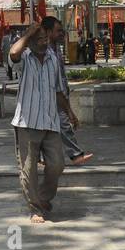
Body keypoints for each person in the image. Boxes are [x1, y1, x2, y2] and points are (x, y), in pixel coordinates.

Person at [9, 21, 75, 223]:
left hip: (50, 121)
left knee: (57, 165)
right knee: (28, 168)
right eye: (39, 39)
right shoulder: (24, 59)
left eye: (45, 38)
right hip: (27, 122)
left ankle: (44, 197)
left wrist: (69, 112)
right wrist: (28, 35)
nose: (44, 43)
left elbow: (57, 90)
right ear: (30, 42)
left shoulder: (53, 58)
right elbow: (13, 55)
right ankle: (35, 208)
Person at [42, 16, 93, 166]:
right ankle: (75, 155)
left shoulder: (56, 48)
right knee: (63, 123)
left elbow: (60, 73)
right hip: (51, 94)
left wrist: (66, 88)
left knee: (53, 126)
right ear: (48, 31)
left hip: (60, 92)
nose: (61, 34)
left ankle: (44, 157)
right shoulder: (44, 51)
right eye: (58, 31)